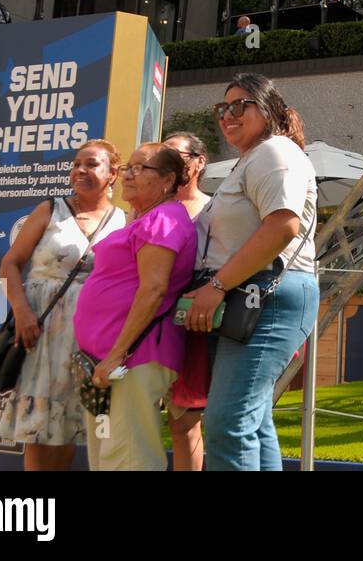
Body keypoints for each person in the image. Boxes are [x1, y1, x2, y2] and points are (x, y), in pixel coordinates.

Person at [184, 72, 319, 471]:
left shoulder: (275, 151)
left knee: (227, 421)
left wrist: (216, 284)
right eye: (222, 108)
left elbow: (282, 225)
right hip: (251, 294)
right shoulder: (251, 159)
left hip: (266, 294)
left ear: (271, 109)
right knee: (254, 422)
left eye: (241, 105)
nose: (229, 114)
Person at [0, 140, 126, 470]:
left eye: (91, 164)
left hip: (90, 337)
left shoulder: (123, 220)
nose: (80, 170)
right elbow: (10, 264)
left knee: (70, 422)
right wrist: (23, 311)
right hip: (41, 332)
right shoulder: (50, 210)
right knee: (38, 426)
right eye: (76, 164)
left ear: (113, 174)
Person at [73, 143, 198, 471]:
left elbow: (154, 289)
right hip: (104, 363)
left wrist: (117, 353)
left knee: (128, 456)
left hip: (131, 359)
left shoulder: (164, 218)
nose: (128, 174)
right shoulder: (144, 220)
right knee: (106, 455)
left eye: (141, 168)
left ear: (168, 180)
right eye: (128, 167)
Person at [163, 131, 212, 472]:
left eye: (177, 155)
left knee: (184, 422)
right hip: (147, 321)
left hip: (191, 321)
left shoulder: (213, 209)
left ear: (199, 162)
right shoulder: (148, 208)